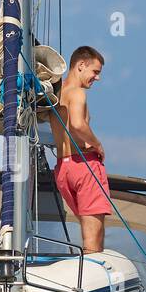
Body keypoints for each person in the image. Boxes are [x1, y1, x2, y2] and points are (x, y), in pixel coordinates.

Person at [49, 45, 111, 252]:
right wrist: (97, 144)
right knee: (93, 237)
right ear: (81, 65)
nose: (97, 78)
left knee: (86, 228)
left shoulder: (55, 94)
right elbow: (77, 124)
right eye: (95, 72)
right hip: (84, 165)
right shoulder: (77, 92)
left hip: (63, 169)